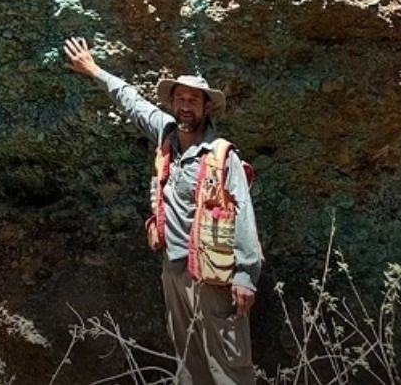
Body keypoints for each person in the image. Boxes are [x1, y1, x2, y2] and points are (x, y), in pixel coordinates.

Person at [64, 36, 261, 385]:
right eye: (180, 99)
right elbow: (131, 100)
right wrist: (94, 69)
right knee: (189, 361)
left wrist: (246, 276)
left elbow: (244, 215)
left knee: (229, 365)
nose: (185, 106)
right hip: (174, 271)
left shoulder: (222, 155)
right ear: (172, 104)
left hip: (214, 278)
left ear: (207, 108)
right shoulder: (165, 134)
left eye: (193, 101)